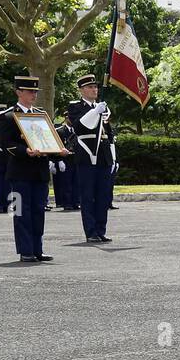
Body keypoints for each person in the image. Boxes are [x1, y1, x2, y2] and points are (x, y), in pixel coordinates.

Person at [0, 76, 54, 263]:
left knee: (38, 211)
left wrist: (56, 151)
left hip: (39, 171)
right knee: (21, 212)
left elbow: (47, 139)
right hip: (20, 172)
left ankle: (38, 249)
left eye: (35, 92)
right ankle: (25, 250)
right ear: (18, 92)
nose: (33, 95)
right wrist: (25, 150)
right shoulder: (7, 116)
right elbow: (6, 144)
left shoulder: (40, 114)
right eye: (30, 91)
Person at [66, 73, 114, 243]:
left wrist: (113, 157)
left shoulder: (103, 107)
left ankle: (101, 230)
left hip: (103, 155)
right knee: (88, 195)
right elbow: (80, 127)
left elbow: (109, 134)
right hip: (86, 154)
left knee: (103, 195)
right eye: (90, 87)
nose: (94, 90)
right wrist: (95, 111)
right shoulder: (75, 107)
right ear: (81, 90)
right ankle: (91, 231)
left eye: (95, 87)